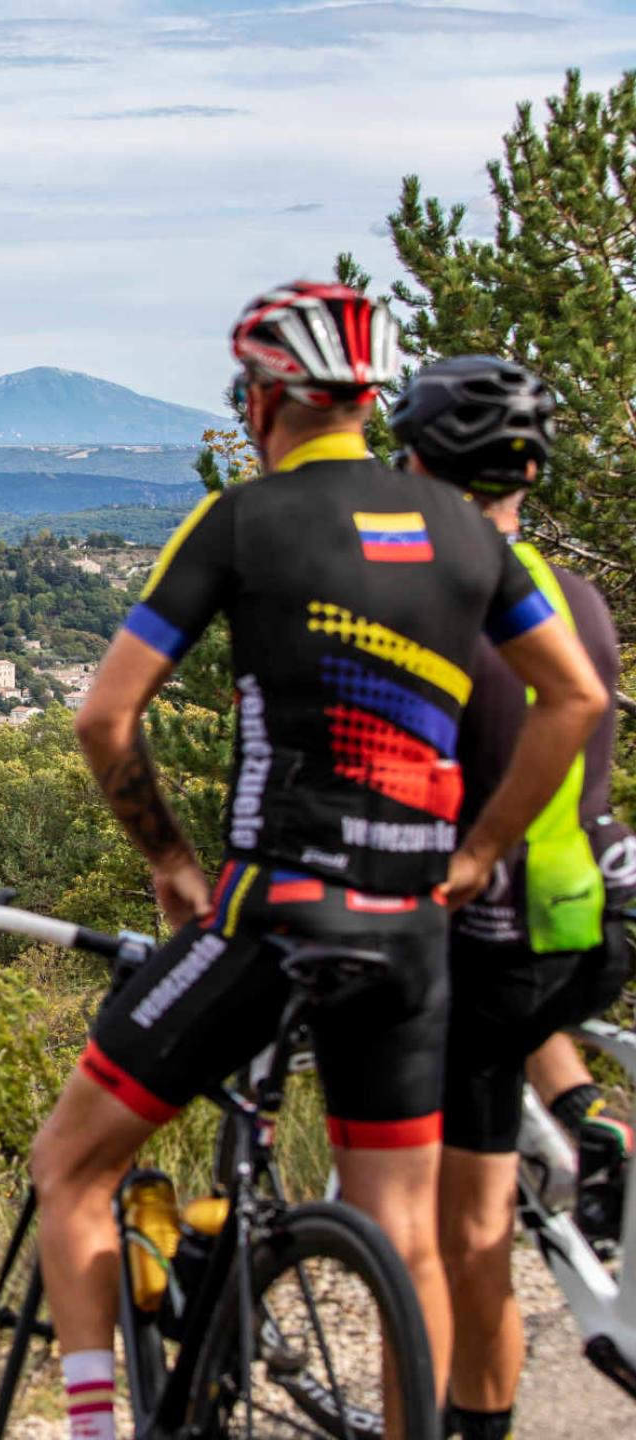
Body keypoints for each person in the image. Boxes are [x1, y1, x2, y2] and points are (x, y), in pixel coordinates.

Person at [30, 282, 609, 1440]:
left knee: (72, 1166)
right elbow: (576, 694)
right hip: (413, 929)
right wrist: (483, 847)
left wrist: (173, 863)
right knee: (408, 1239)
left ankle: (94, 1428)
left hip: (275, 910)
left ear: (270, 397)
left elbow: (105, 718)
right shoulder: (461, 529)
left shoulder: (244, 519)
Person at [390, 356, 634, 1440]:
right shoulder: (569, 598)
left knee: (464, 1235)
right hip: (589, 918)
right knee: (516, 1008)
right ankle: (586, 1120)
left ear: (414, 465)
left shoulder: (441, 607)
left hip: (499, 939)